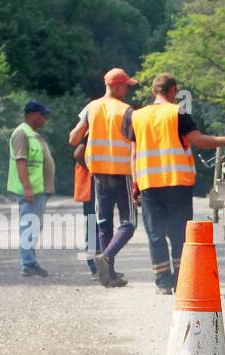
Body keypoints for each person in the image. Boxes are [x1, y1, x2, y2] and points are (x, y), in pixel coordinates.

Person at [123, 73, 225, 294]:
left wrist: (135, 183)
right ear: (173, 90)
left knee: (155, 234)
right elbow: (199, 141)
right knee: (178, 233)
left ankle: (163, 282)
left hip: (149, 184)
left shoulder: (137, 116)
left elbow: (134, 153)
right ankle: (180, 280)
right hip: (177, 183)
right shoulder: (178, 113)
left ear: (154, 91)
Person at [68, 68, 137, 288]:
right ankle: (106, 258)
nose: (127, 90)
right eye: (125, 86)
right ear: (117, 86)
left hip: (97, 173)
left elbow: (73, 138)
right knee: (129, 222)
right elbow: (136, 143)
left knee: (104, 223)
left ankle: (109, 275)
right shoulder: (126, 110)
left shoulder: (91, 107)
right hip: (122, 172)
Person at [7, 100, 56, 277]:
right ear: (31, 115)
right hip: (31, 190)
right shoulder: (22, 134)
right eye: (42, 114)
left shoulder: (32, 134)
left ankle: (30, 261)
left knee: (33, 226)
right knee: (29, 225)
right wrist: (27, 187)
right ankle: (28, 264)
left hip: (38, 189)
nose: (45, 118)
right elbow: (21, 161)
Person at [71, 139, 98, 277]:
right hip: (93, 188)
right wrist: (93, 169)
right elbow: (78, 154)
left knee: (95, 225)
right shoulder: (90, 132)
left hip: (94, 189)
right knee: (95, 226)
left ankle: (97, 266)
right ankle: (95, 266)